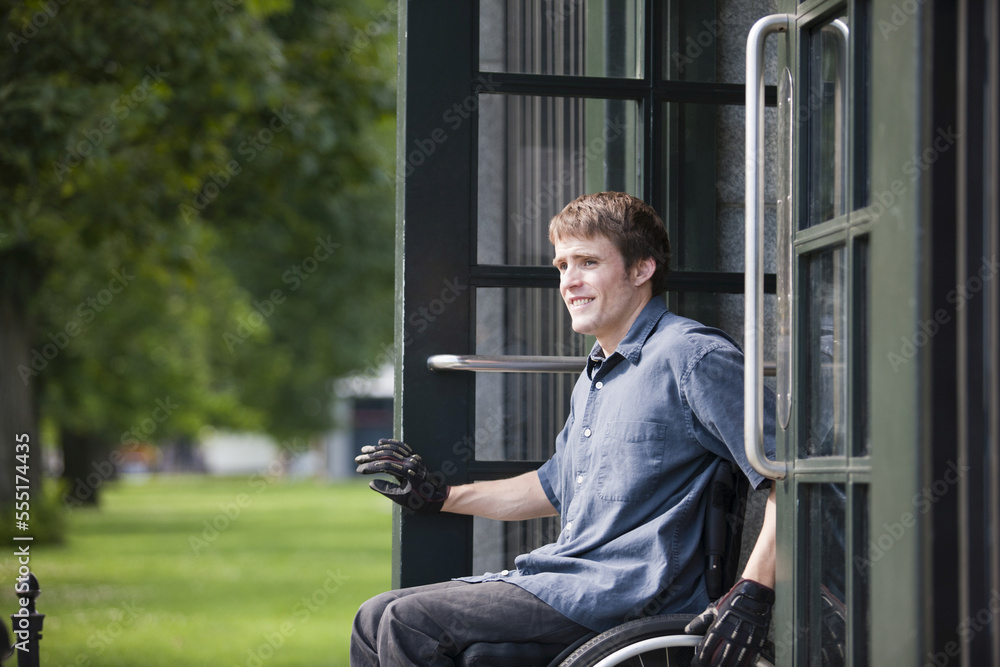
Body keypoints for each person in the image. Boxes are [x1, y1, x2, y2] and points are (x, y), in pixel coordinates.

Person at [351, 192, 777, 667]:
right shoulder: (596, 373)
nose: (569, 282)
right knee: (373, 615)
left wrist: (753, 591)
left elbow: (791, 476)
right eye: (561, 265)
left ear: (642, 270)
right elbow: (550, 485)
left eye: (588, 262)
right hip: (568, 582)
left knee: (408, 622)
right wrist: (440, 495)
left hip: (627, 598)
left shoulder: (693, 357)